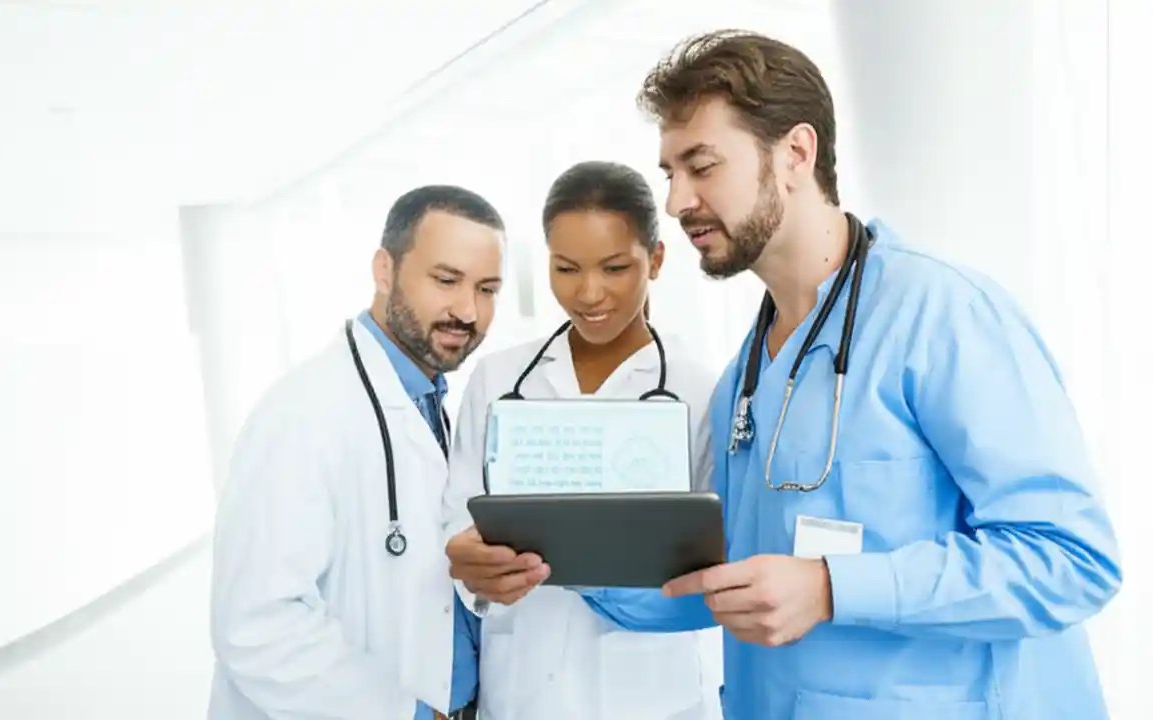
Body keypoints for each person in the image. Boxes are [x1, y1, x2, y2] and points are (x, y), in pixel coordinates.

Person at [466, 30, 1124, 720]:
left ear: (795, 153)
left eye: (702, 165)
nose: (677, 200)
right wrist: (542, 558)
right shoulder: (744, 380)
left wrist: (832, 587)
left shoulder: (943, 316)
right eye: (669, 173)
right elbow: (722, 581)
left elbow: (1070, 560)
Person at [208, 185, 506, 720]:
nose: (468, 310)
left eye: (487, 289)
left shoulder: (426, 400)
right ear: (384, 270)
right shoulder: (303, 414)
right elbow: (256, 626)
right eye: (446, 280)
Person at [443, 161, 724, 720]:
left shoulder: (700, 391)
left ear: (657, 260)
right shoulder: (499, 381)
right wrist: (470, 566)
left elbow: (720, 559)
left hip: (651, 699)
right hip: (523, 694)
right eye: (566, 268)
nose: (589, 293)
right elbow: (455, 525)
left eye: (615, 267)